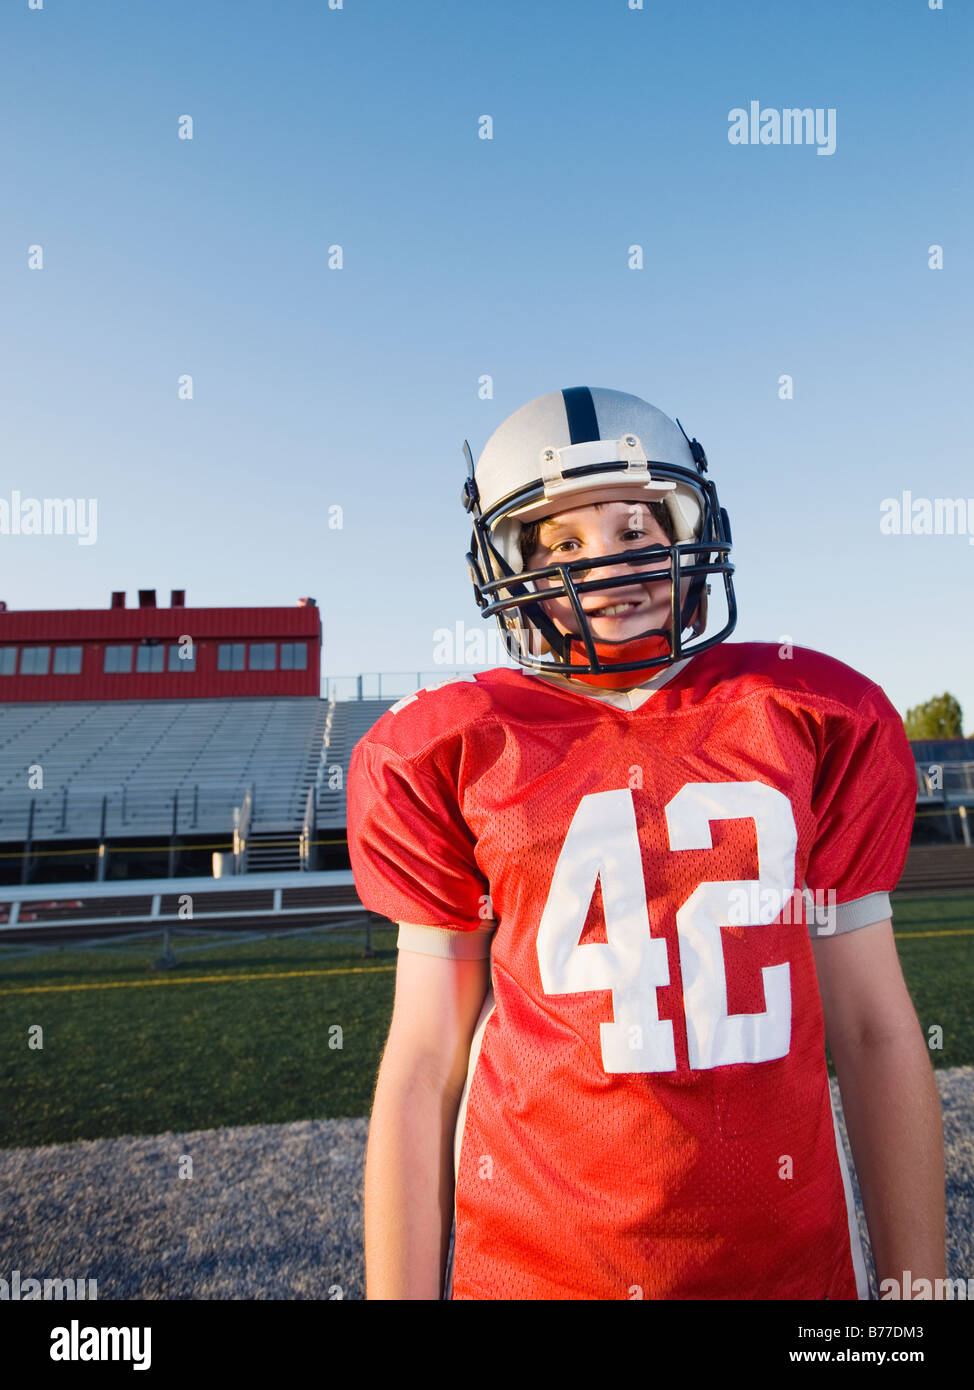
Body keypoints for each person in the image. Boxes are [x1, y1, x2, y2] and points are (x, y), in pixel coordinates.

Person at [348, 386, 946, 1300]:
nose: (610, 567)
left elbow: (871, 1030)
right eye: (566, 543)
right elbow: (426, 1059)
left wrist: (918, 1298)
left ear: (689, 530)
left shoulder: (813, 713)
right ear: (508, 565)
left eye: (635, 528)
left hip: (788, 1272)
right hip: (538, 1267)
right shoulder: (452, 744)